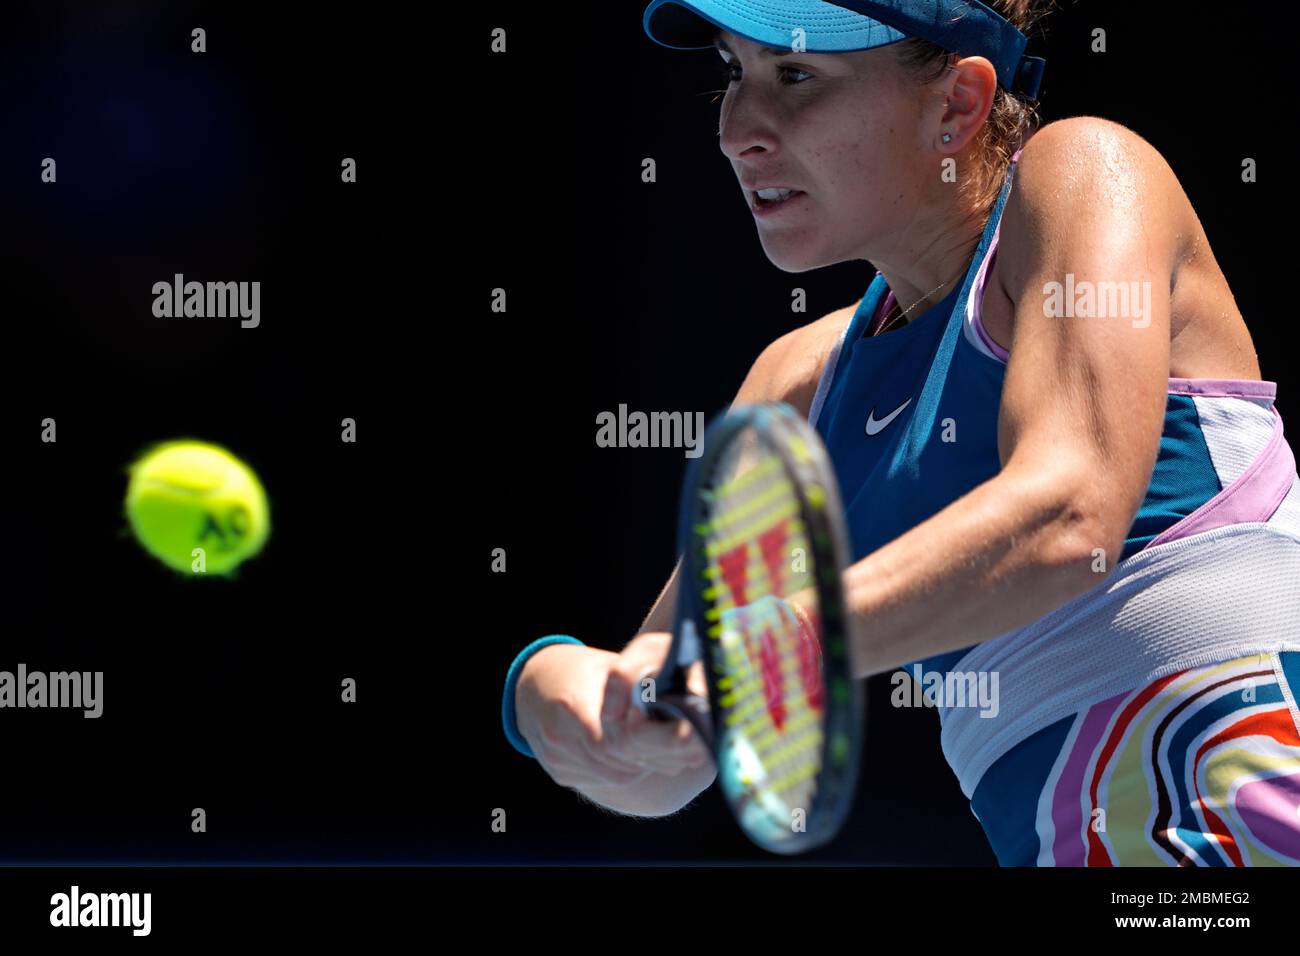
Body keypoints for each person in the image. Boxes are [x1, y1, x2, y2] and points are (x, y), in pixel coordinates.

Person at [503, 0, 1300, 865]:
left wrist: (779, 650)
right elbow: (667, 759)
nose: (738, 130)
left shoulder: (1086, 171)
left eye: (796, 75)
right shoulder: (793, 386)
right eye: (734, 73)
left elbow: (1070, 520)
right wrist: (554, 691)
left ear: (957, 104)